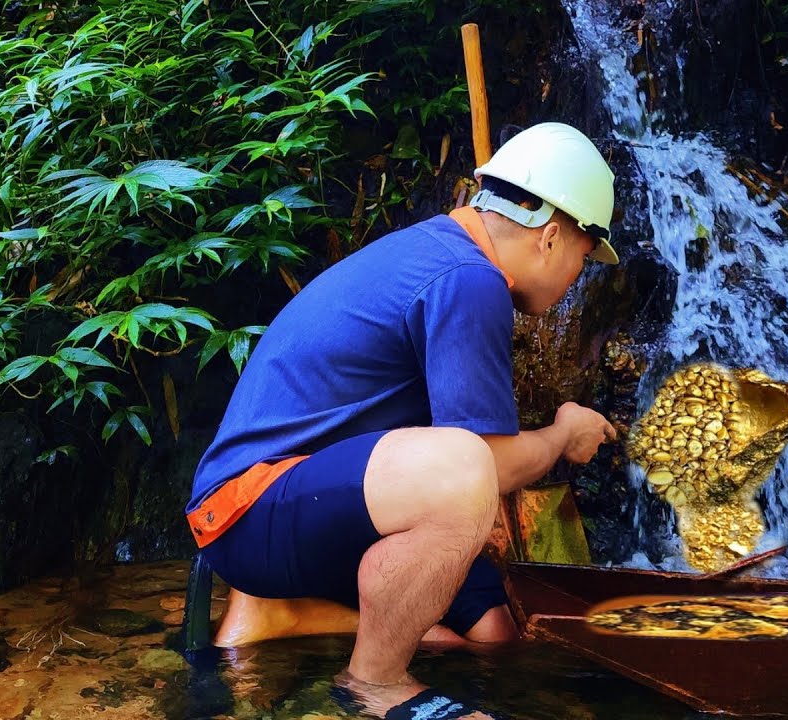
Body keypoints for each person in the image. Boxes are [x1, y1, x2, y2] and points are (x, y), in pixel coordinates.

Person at [185, 122, 620, 719]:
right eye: (584, 256)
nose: (578, 278)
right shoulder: (469, 279)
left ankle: (279, 611)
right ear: (549, 237)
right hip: (247, 509)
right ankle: (374, 680)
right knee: (464, 467)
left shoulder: (439, 252)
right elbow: (481, 463)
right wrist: (563, 434)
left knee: (495, 630)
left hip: (298, 504)